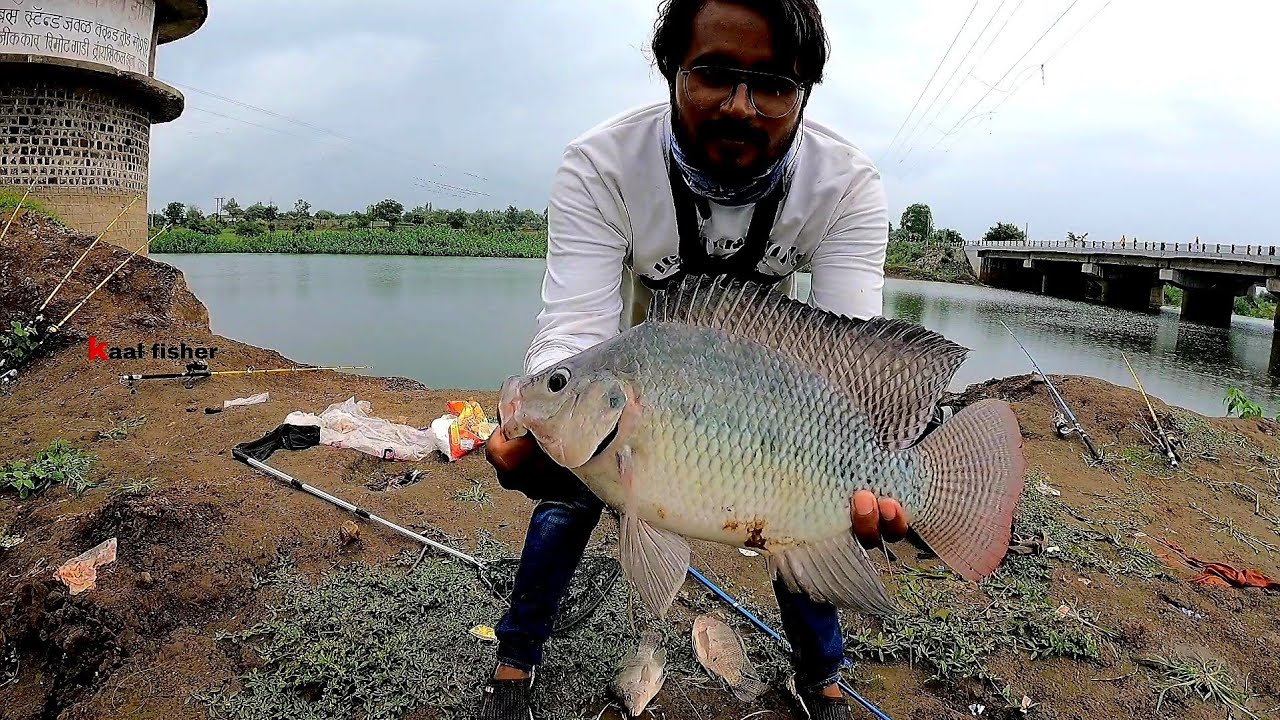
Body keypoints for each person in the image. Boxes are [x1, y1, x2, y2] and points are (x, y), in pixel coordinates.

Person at [480, 1, 911, 718]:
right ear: (670, 70)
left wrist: (876, 462)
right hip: (647, 359)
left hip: (771, 373)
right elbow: (573, 331)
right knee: (569, 486)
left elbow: (850, 358)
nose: (741, 107)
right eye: (713, 73)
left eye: (774, 84)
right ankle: (515, 660)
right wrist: (540, 414)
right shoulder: (601, 165)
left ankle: (822, 680)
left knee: (801, 504)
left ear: (804, 91)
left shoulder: (846, 186)